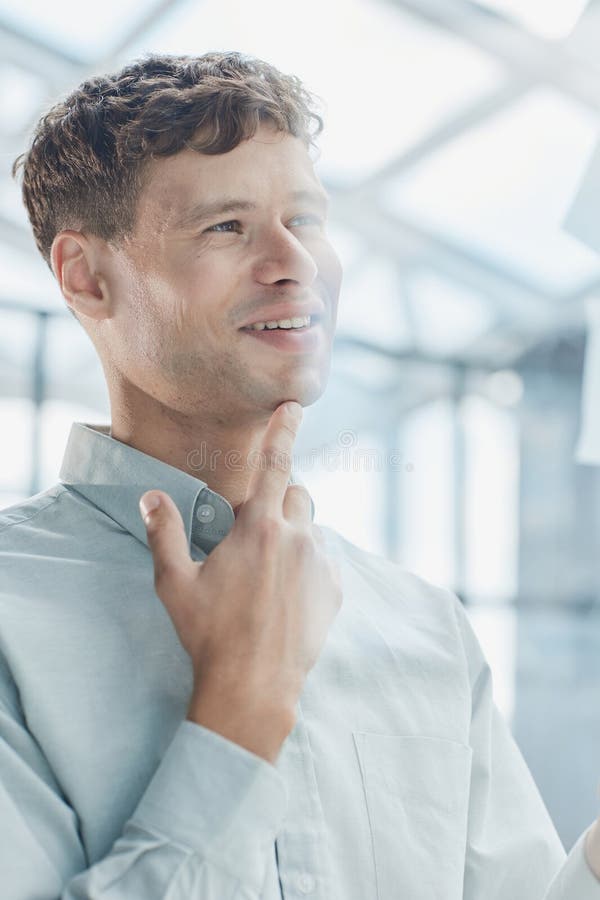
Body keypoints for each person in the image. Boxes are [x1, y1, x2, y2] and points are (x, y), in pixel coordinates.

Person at [1, 50, 599, 899]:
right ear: (86, 277)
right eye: (226, 226)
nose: (297, 262)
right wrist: (242, 710)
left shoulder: (427, 628)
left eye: (307, 219)